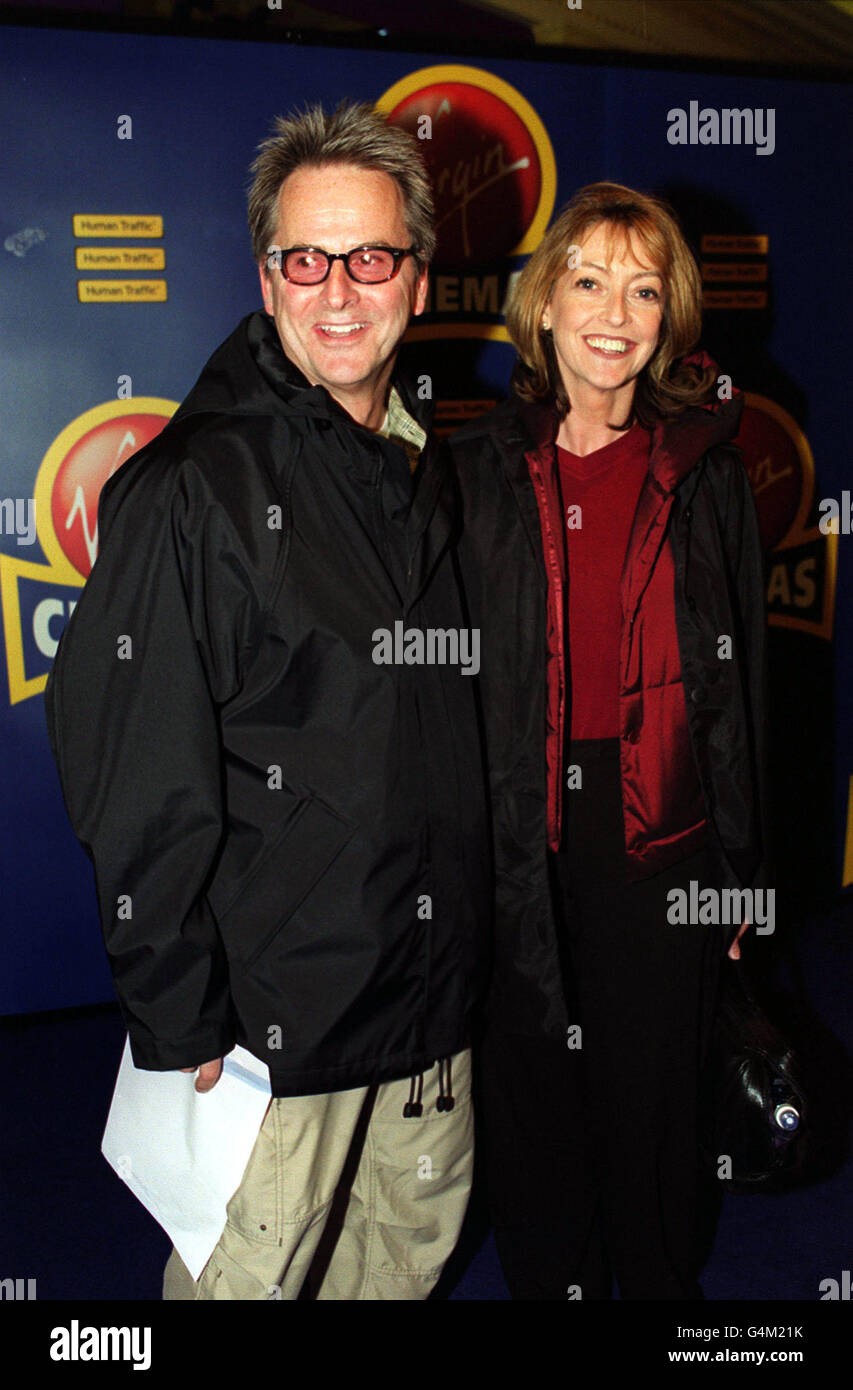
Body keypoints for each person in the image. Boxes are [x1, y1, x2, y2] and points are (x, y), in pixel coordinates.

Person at [44, 101, 491, 1301]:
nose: (337, 291)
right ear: (266, 274)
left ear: (417, 275)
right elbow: (133, 770)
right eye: (306, 257)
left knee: (399, 1274)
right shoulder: (196, 488)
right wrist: (179, 1013)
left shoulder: (426, 462)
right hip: (273, 1035)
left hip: (428, 1011)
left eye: (369, 257)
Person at [449, 182, 771, 1300]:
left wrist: (736, 872)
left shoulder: (706, 473)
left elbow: (740, 690)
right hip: (519, 823)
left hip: (663, 829)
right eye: (586, 280)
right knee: (533, 1083)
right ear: (542, 308)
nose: (613, 310)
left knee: (653, 1090)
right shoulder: (478, 471)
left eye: (642, 287)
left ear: (670, 316)